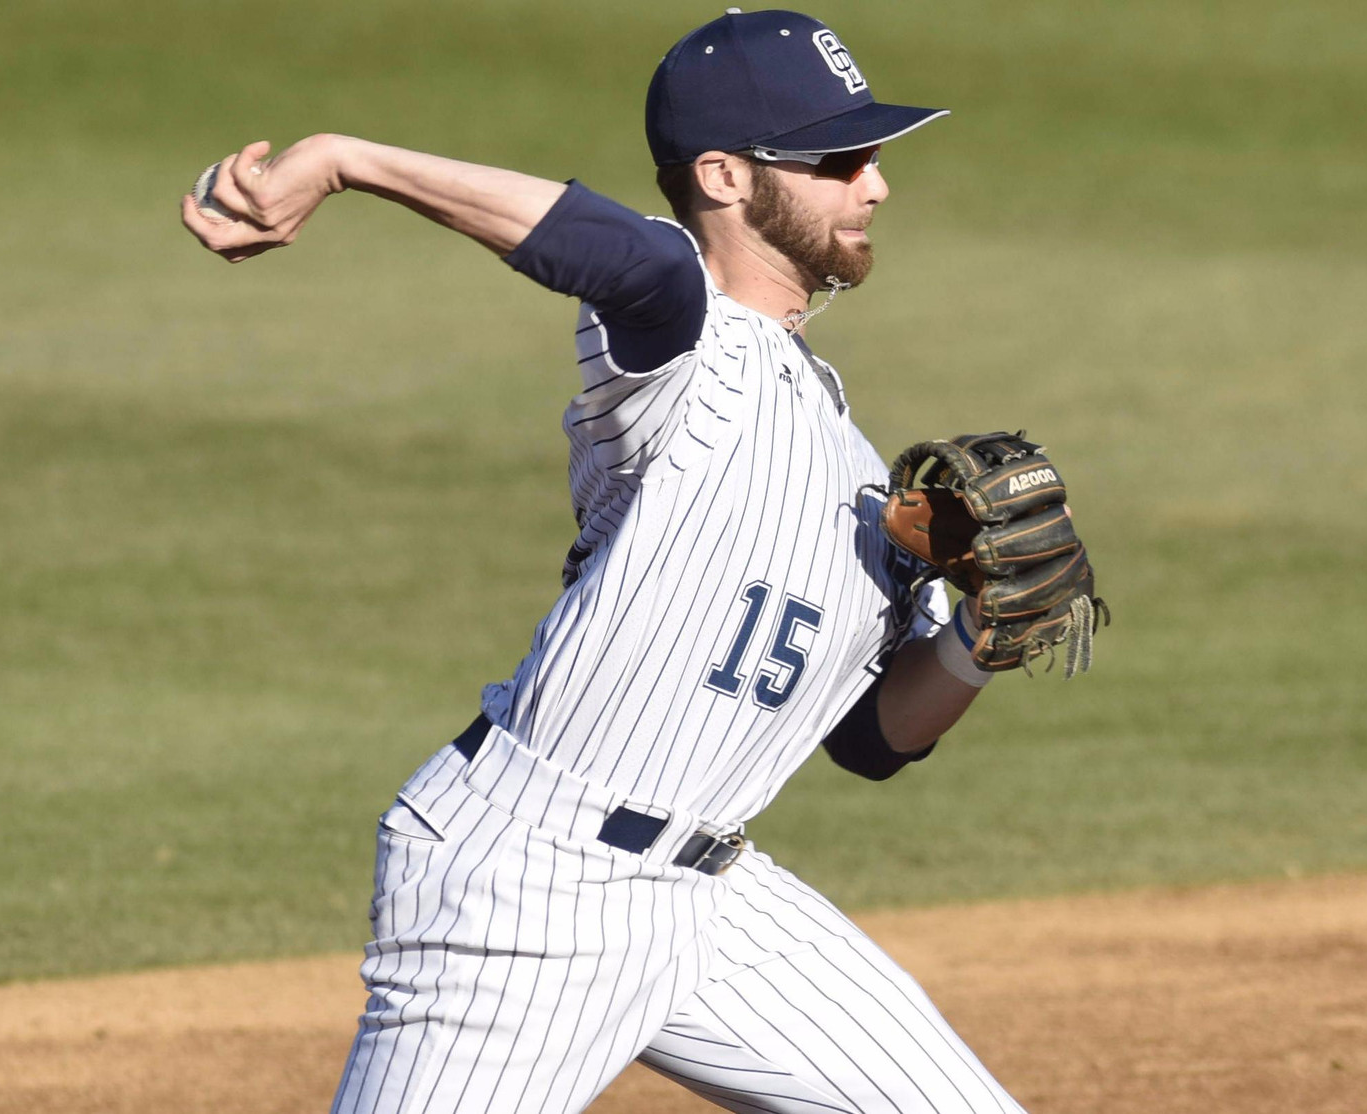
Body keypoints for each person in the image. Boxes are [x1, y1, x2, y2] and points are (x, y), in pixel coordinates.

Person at [184, 9, 1037, 1113]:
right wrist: (350, 161)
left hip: (716, 905)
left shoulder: (854, 460)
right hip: (531, 888)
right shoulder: (684, 352)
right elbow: (621, 251)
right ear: (726, 177)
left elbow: (872, 740)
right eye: (839, 159)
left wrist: (978, 636)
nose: (873, 185)